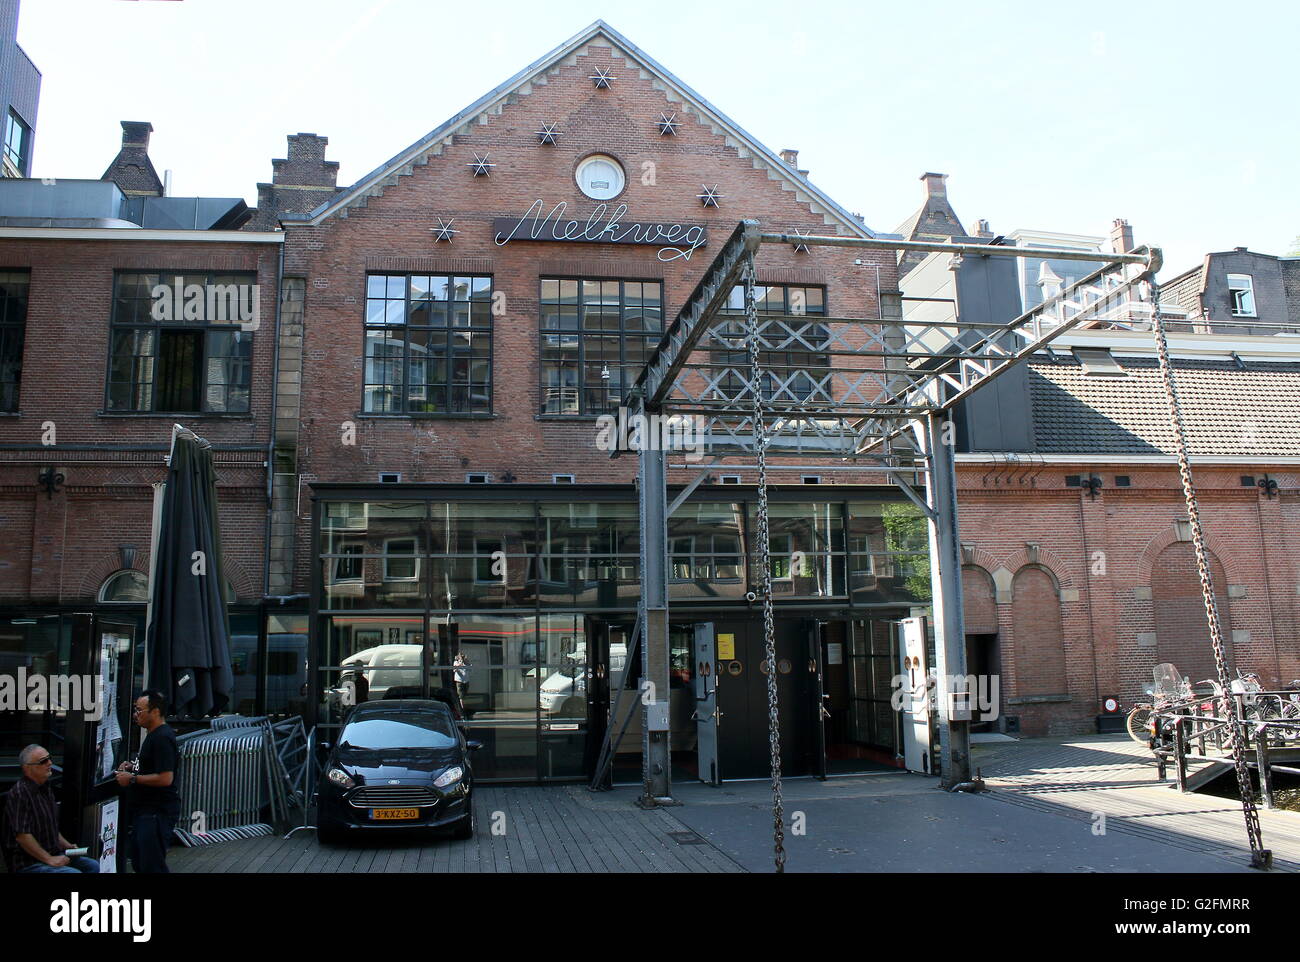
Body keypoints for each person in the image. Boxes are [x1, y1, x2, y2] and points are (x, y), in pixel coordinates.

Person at [4, 744, 99, 873]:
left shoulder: (45, 788)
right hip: (28, 863)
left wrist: (67, 845)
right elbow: (22, 836)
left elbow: (50, 827)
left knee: (93, 866)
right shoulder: (19, 793)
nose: (49, 763)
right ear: (27, 768)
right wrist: (49, 859)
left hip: (53, 853)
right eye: (43, 761)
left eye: (49, 758)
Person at [115, 690, 180, 873]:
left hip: (155, 813)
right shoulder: (153, 735)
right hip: (146, 811)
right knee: (140, 861)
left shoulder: (162, 738)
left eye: (139, 710)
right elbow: (153, 768)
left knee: (151, 865)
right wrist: (133, 768)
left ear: (155, 711)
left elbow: (166, 777)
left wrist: (133, 779)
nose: (136, 715)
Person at [453, 651, 471, 717]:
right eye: (461, 658)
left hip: (466, 681)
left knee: (465, 694)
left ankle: (464, 706)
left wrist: (467, 662)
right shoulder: (456, 662)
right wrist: (459, 664)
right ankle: (462, 709)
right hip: (459, 681)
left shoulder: (466, 663)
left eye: (463, 658)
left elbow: (470, 669)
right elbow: (454, 670)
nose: (462, 660)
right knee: (460, 695)